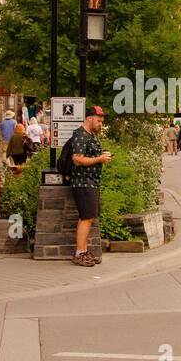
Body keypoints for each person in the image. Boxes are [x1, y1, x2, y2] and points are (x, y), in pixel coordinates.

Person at [69, 104, 112, 267]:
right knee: (87, 218)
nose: (101, 124)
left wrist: (102, 156)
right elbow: (77, 159)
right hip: (83, 182)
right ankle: (80, 253)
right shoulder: (81, 135)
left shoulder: (90, 134)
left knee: (87, 217)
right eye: (99, 121)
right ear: (89, 119)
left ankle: (83, 251)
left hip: (90, 182)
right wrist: (99, 159)